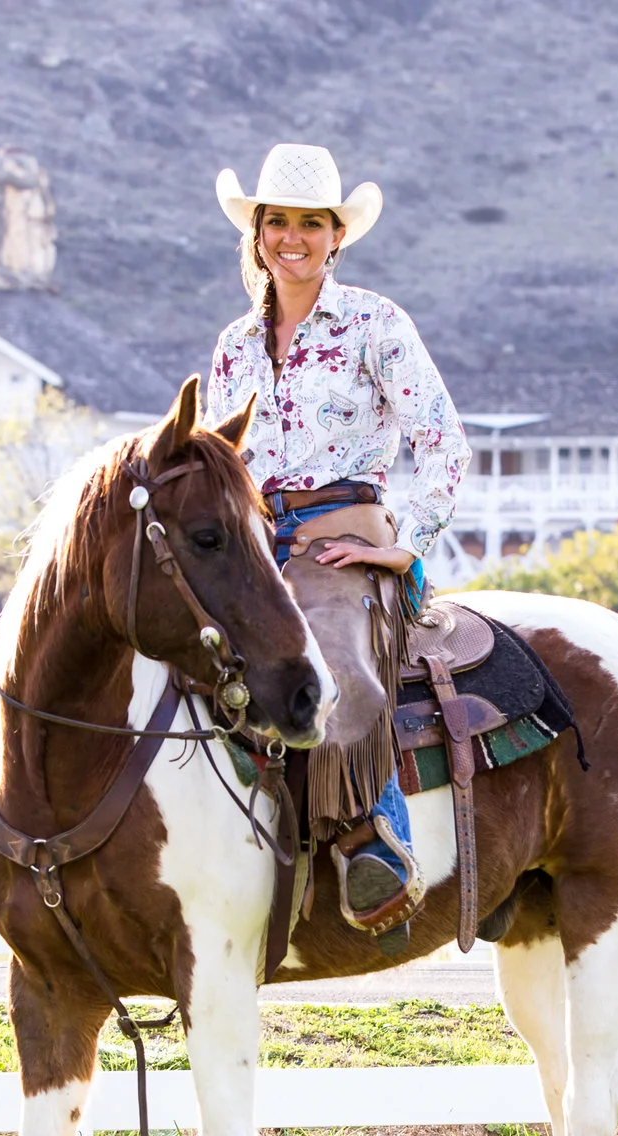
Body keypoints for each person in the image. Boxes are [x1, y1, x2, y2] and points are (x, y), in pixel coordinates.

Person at [205, 143, 469, 938]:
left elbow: (445, 445)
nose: (293, 237)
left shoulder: (375, 325)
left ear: (336, 236)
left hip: (343, 527)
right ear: (257, 235)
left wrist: (406, 542)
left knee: (323, 650)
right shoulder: (233, 345)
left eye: (310, 223)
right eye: (277, 221)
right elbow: (221, 456)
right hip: (255, 536)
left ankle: (370, 837)